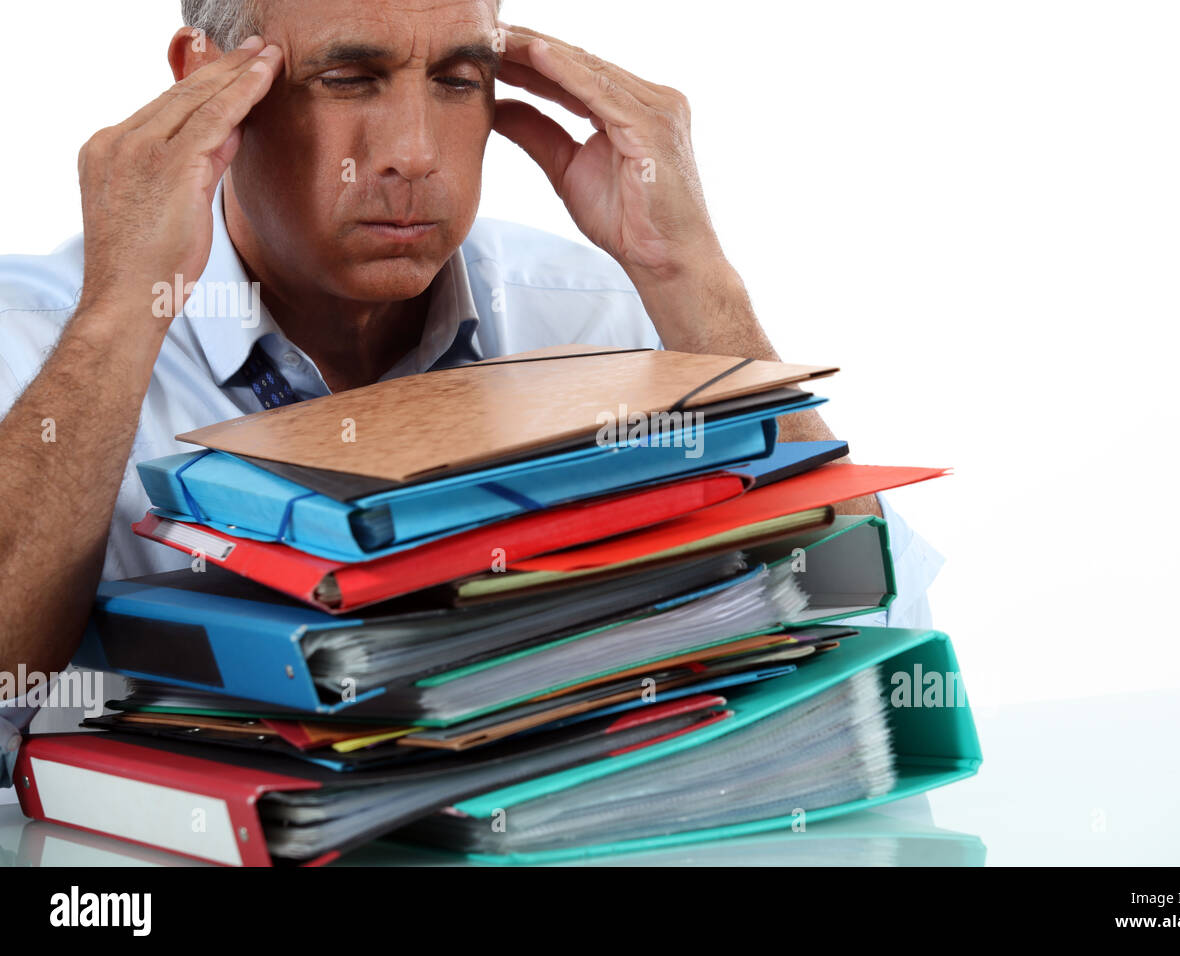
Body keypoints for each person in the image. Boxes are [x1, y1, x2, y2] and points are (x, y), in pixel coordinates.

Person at [0, 0, 943, 791]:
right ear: (201, 84)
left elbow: (872, 637)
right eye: (349, 77)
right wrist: (122, 315)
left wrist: (691, 277)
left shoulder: (587, 314)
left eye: (457, 79)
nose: (415, 152)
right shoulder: (40, 342)